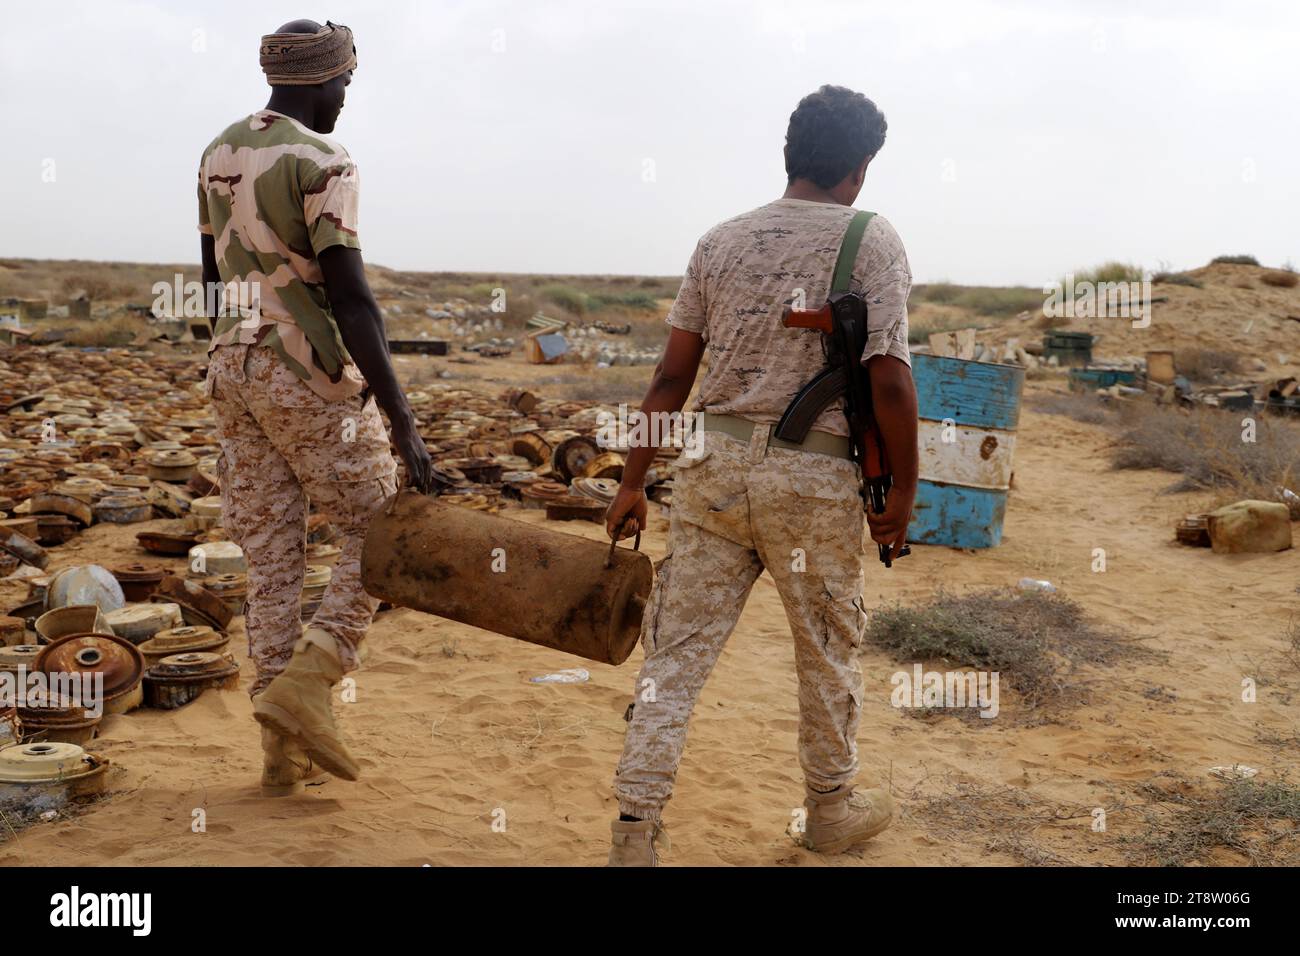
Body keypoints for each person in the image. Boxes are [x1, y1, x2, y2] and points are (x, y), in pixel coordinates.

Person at [601, 85, 919, 865]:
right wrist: (905, 492)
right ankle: (832, 810)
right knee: (827, 650)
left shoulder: (720, 241)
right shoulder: (873, 241)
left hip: (711, 466)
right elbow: (890, 384)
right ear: (862, 167)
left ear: (790, 154)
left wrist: (633, 479)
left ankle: (635, 831)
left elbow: (671, 379)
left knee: (672, 658)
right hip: (811, 483)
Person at [197, 19, 432, 796]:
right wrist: (399, 418)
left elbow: (211, 279)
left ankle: (280, 753)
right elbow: (352, 297)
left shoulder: (219, 152)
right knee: (381, 529)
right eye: (343, 85)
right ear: (315, 81)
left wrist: (239, 356)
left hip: (233, 364)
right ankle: (315, 673)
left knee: (272, 559)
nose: (343, 100)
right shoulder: (322, 158)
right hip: (305, 369)